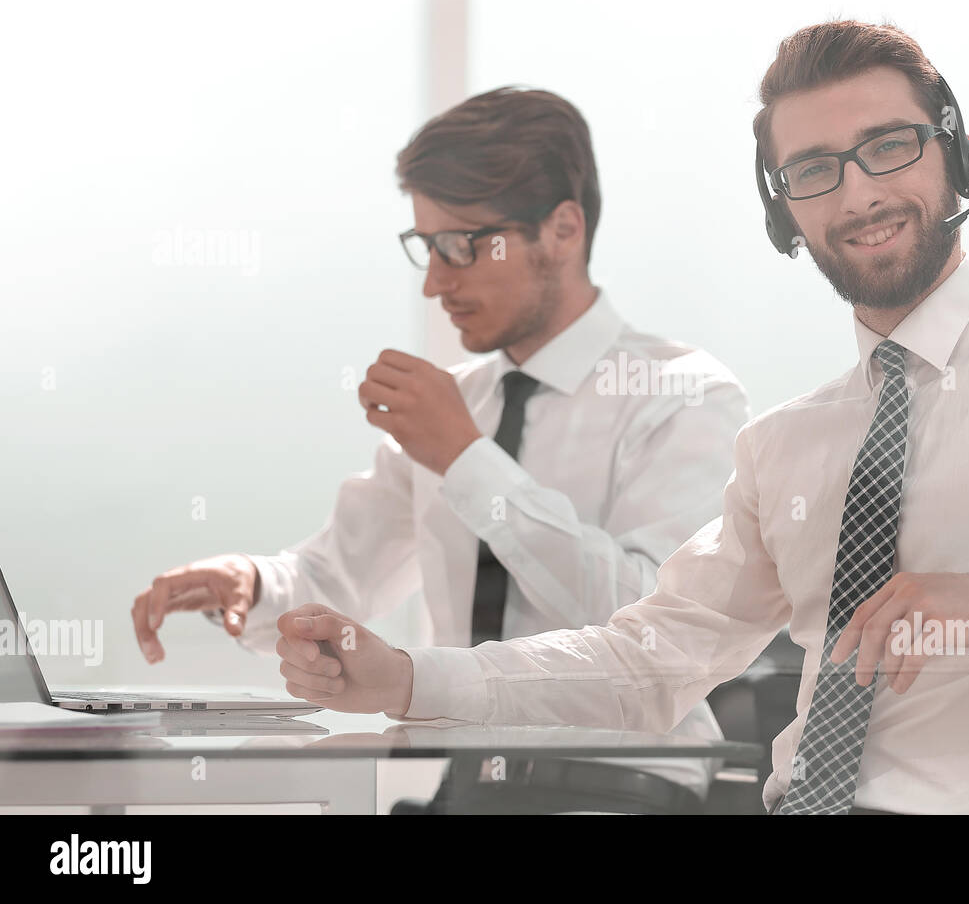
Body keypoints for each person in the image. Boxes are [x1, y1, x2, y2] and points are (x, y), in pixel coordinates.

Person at [267, 21, 969, 814]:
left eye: (887, 146)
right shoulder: (789, 443)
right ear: (783, 212)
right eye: (813, 171)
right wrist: (403, 673)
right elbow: (646, 659)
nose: (856, 193)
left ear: (953, 154)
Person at [130, 86, 750, 810]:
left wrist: (467, 461)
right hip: (464, 788)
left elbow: (651, 626)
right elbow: (339, 577)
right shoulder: (459, 404)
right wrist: (252, 584)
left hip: (619, 785)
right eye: (426, 246)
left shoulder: (682, 395)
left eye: (462, 245)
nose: (434, 281)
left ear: (563, 229)